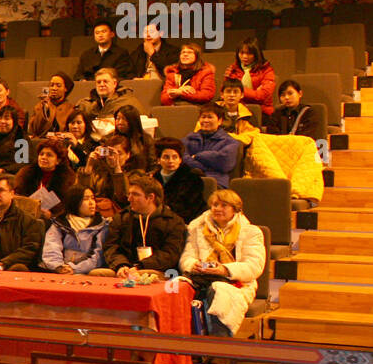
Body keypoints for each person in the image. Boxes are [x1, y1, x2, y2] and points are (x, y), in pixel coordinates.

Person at [179, 189, 267, 336]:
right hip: (200, 278)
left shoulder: (251, 232)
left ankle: (218, 349)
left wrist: (225, 270)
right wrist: (193, 264)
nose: (217, 209)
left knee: (219, 290)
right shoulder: (197, 229)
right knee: (174, 287)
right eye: (214, 205)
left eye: (223, 205)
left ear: (235, 209)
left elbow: (254, 266)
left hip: (237, 283)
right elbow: (186, 258)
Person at [97, 176, 187, 277]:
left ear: (150, 197)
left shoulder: (173, 222)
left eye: (135, 195)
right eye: (129, 194)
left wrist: (140, 266)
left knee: (144, 274)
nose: (129, 199)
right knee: (97, 274)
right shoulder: (122, 218)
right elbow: (111, 247)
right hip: (125, 268)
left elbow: (170, 255)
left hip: (157, 270)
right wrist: (121, 265)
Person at [41, 186, 109, 275]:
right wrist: (58, 266)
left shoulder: (101, 226)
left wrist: (75, 269)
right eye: (85, 199)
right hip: (60, 269)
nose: (91, 203)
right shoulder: (59, 224)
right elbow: (51, 247)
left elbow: (97, 256)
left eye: (92, 198)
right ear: (75, 202)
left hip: (86, 271)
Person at [153, 137, 208, 226]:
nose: (171, 161)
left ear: (180, 160)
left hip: (186, 222)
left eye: (175, 157)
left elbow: (190, 209)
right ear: (158, 160)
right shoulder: (153, 179)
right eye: (166, 157)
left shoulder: (192, 178)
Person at [13, 139, 75, 217]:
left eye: (49, 155)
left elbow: (67, 204)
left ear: (58, 161)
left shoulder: (67, 177)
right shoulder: (26, 173)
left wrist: (52, 214)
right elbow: (18, 196)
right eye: (41, 154)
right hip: (25, 214)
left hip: (54, 218)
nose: (43, 157)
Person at [183, 104, 241, 188]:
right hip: (189, 179)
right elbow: (181, 158)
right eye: (203, 117)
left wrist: (197, 156)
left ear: (220, 121)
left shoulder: (230, 142)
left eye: (210, 117)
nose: (206, 120)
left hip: (216, 182)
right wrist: (205, 166)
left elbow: (225, 163)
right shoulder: (189, 138)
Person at [77, 68, 141, 140]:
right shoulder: (86, 104)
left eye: (105, 81)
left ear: (114, 83)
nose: (101, 84)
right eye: (98, 82)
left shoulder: (128, 101)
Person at [83, 135, 132, 219]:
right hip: (94, 213)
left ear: (128, 155)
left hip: (119, 217)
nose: (113, 157)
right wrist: (89, 166)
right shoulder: (99, 171)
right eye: (110, 153)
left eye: (118, 153)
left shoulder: (135, 174)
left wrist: (117, 168)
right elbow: (81, 193)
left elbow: (123, 198)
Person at [224, 42, 275, 115]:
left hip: (262, 111)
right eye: (241, 53)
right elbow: (227, 93)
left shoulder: (266, 70)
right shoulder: (232, 70)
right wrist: (254, 92)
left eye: (249, 53)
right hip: (237, 110)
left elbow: (263, 95)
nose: (244, 56)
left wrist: (240, 90)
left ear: (256, 54)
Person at [26, 73, 75, 137]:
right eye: (51, 85)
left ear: (66, 89)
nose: (54, 88)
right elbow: (34, 130)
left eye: (58, 85)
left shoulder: (71, 109)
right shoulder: (40, 106)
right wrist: (45, 110)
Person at [112, 104, 154, 171]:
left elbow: (152, 164)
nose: (120, 122)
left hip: (139, 176)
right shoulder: (110, 138)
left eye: (124, 119)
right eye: (118, 118)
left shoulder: (145, 140)